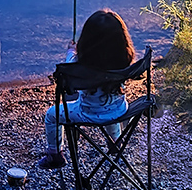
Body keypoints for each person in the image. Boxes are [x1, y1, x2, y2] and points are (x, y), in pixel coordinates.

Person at [38, 9, 135, 169]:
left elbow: (69, 66)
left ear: (87, 41)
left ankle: (55, 155)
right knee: (108, 106)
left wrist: (71, 50)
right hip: (119, 110)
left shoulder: (81, 64)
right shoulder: (124, 60)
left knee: (51, 116)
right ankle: (115, 143)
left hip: (88, 113)